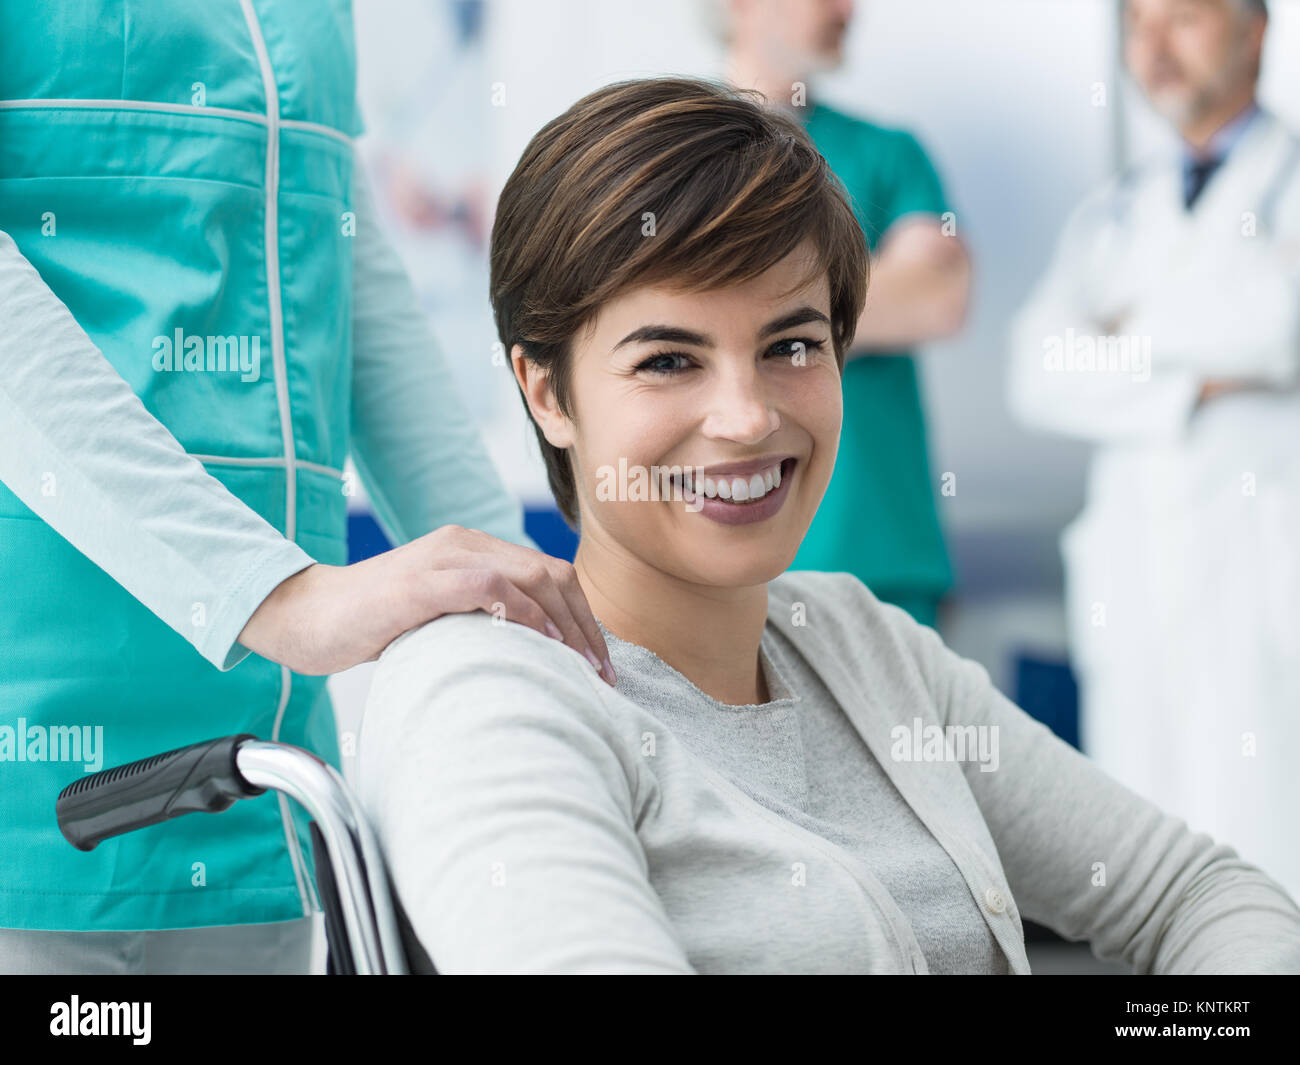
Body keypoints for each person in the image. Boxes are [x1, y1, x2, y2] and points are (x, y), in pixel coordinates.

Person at [357, 76, 1300, 974]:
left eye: (792, 345)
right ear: (547, 391)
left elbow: (1204, 893)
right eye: (668, 361)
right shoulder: (490, 695)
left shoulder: (863, 646)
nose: (750, 416)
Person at [0, 1, 612, 976]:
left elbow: (341, 249)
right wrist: (272, 593)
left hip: (259, 759)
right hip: (33, 741)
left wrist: (554, 632)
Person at [1007, 0, 1300, 901]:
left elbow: (1279, 325)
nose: (1156, 46)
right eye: (1140, 25)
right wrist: (1191, 377)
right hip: (1137, 580)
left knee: (1267, 843)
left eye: (1186, 19)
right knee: (1150, 864)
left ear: (1255, 31)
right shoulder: (1113, 213)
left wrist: (1125, 333)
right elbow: (1035, 369)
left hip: (1260, 571)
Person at [705, 0, 972, 628]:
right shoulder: (663, 157)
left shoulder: (887, 152)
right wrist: (857, 291)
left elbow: (937, 295)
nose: (849, 8)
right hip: (717, 565)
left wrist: (723, 302)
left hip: (878, 561)